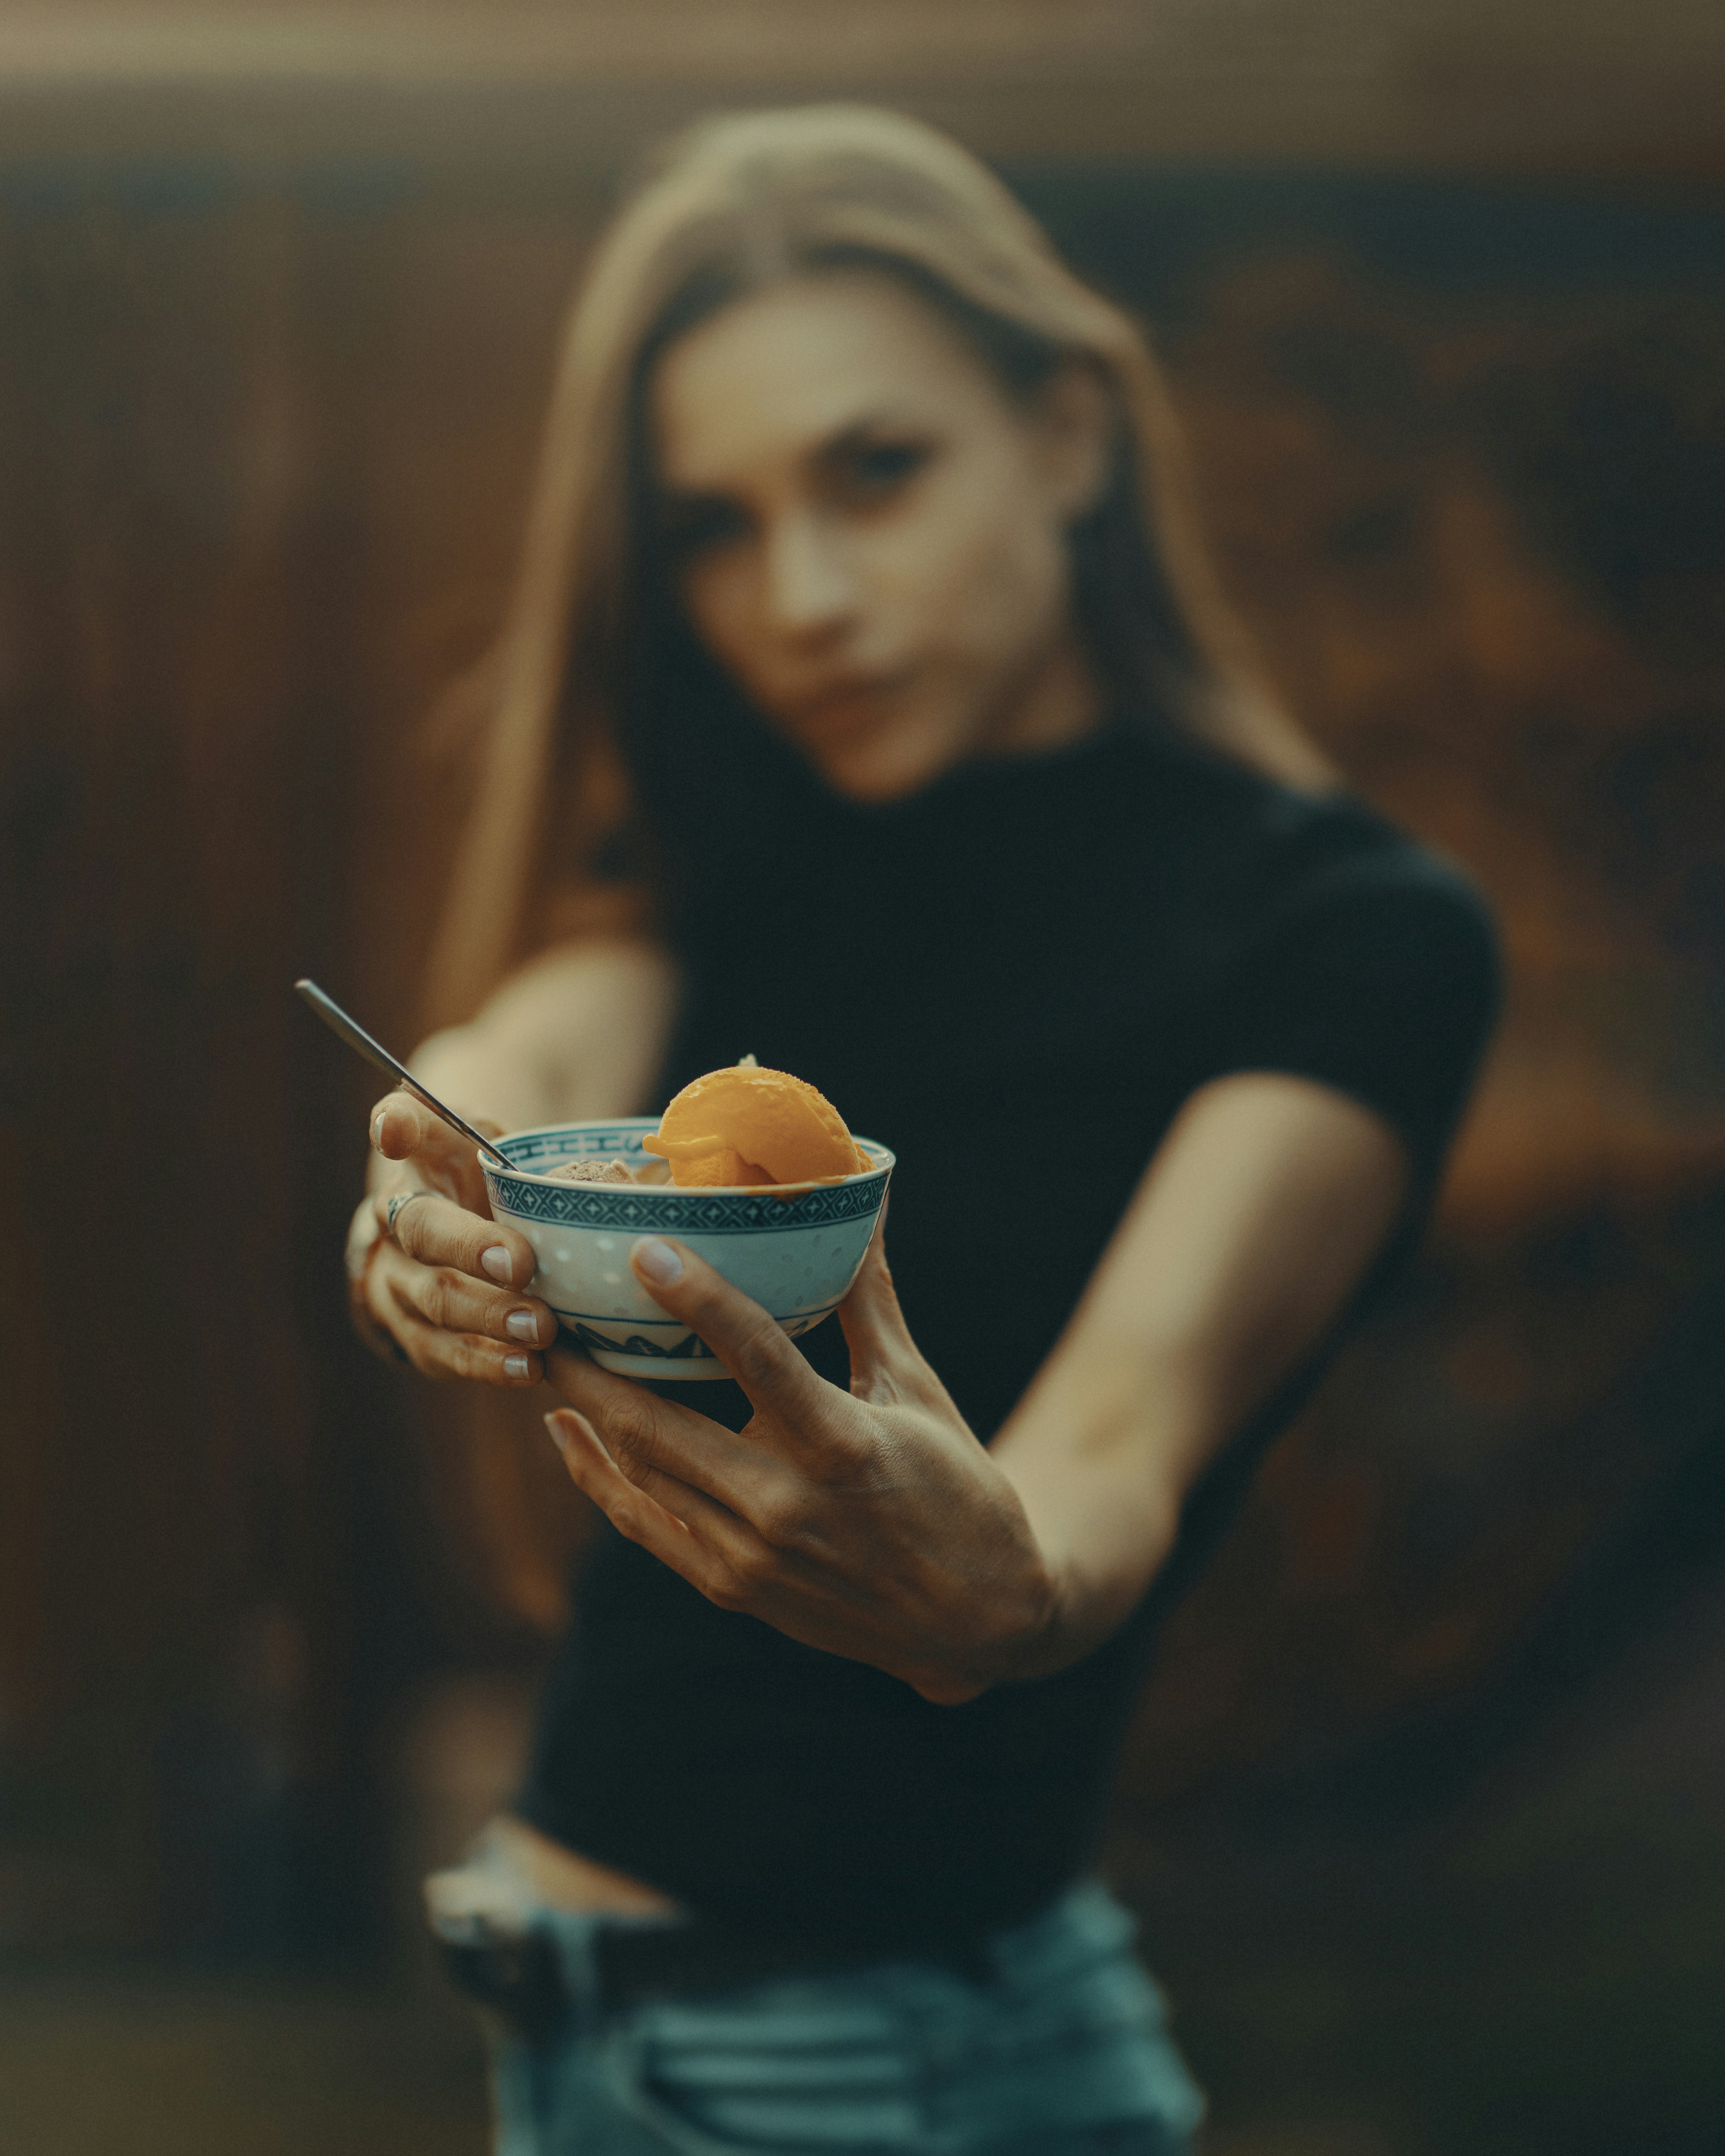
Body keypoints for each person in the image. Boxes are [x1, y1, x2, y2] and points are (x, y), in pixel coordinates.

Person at [345, 106, 1500, 2155]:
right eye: (711, 523)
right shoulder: (739, 863)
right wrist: (447, 1158)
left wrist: (1010, 1586)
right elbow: (545, 1039)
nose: (799, 593)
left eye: (874, 472)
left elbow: (1127, 1421)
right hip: (710, 2036)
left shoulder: (1352, 942)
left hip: (899, 2052)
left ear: (1068, 435)